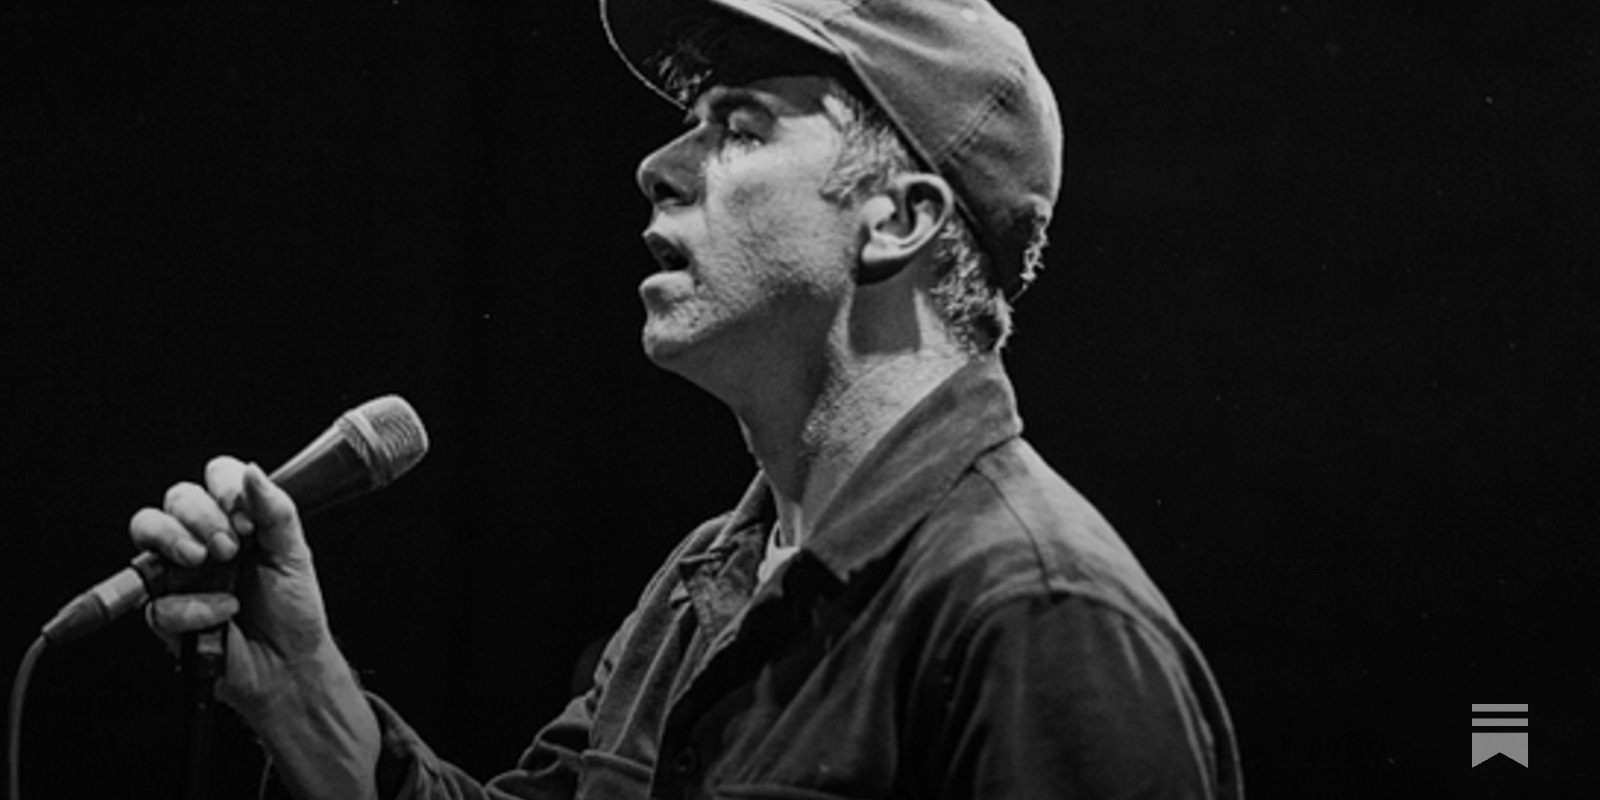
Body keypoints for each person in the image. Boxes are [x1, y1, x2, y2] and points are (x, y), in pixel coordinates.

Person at [131, 0, 1244, 797]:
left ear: (898, 220)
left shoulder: (1038, 616)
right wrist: (302, 690)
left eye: (740, 126)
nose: (656, 166)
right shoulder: (706, 581)